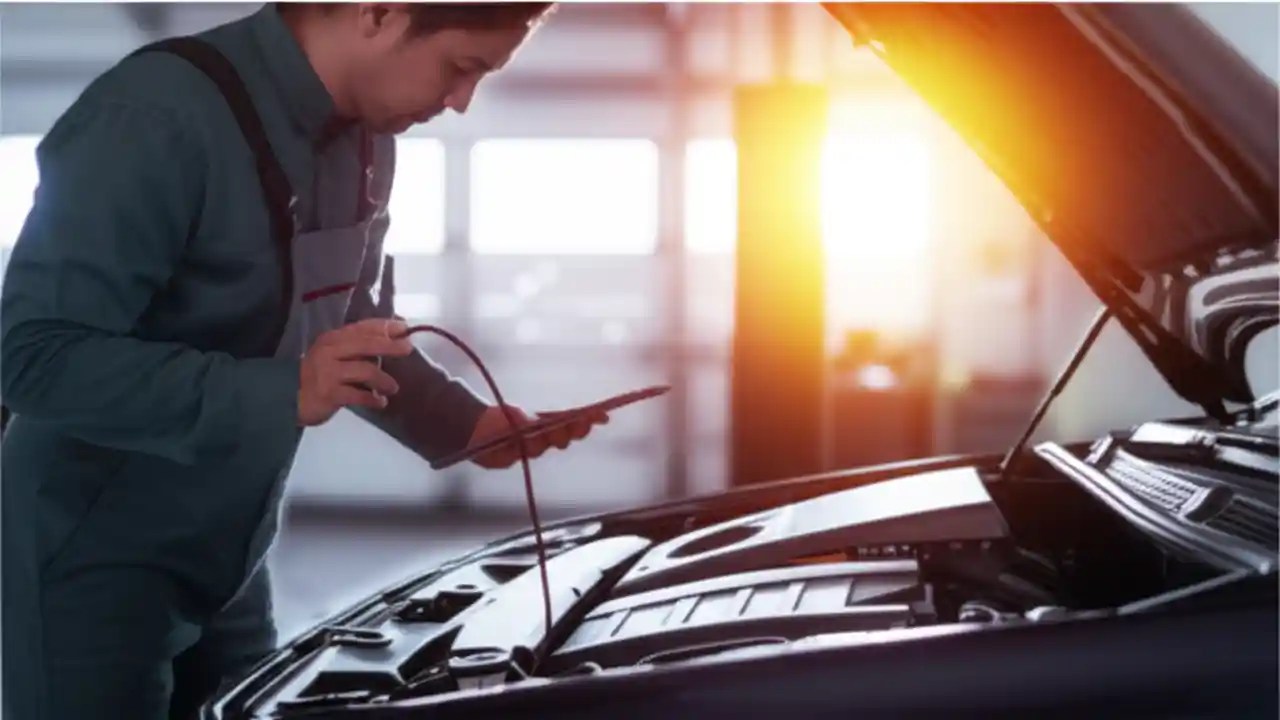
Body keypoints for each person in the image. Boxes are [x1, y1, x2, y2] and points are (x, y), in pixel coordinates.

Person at [0, 3, 601, 719]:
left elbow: (352, 326)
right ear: (379, 12)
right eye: (460, 68)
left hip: (231, 553)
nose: (461, 104)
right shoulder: (154, 117)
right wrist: (282, 391)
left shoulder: (369, 144)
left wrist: (466, 425)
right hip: (90, 556)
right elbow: (33, 356)